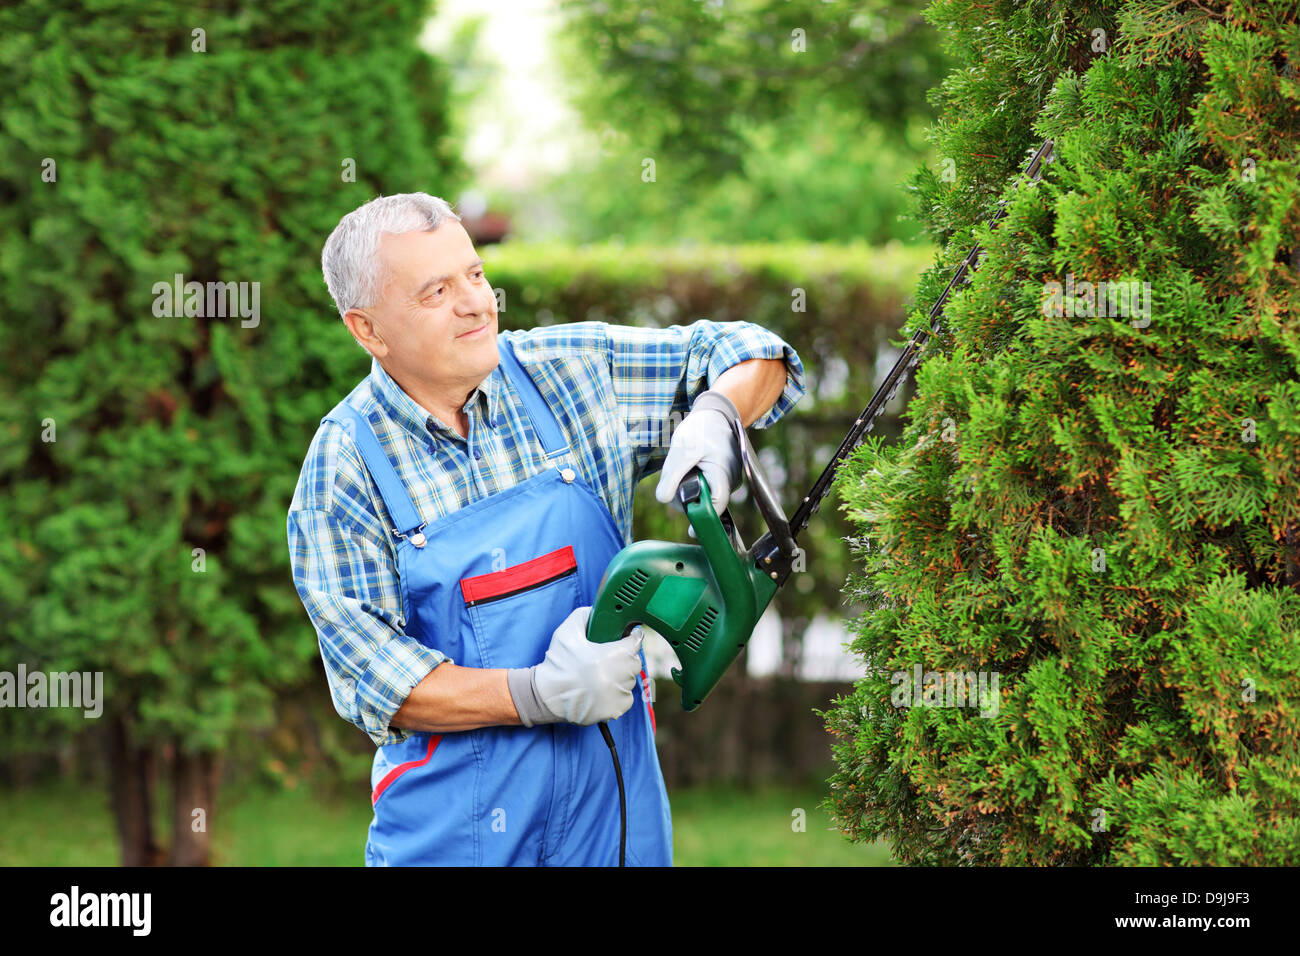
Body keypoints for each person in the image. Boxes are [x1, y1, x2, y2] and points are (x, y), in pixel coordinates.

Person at [286, 192, 805, 866]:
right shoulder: (343, 470)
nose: (475, 302)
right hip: (454, 841)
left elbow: (756, 353)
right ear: (369, 330)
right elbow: (376, 679)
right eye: (436, 291)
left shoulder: (573, 375)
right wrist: (536, 693)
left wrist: (715, 413)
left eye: (474, 274)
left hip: (614, 824)